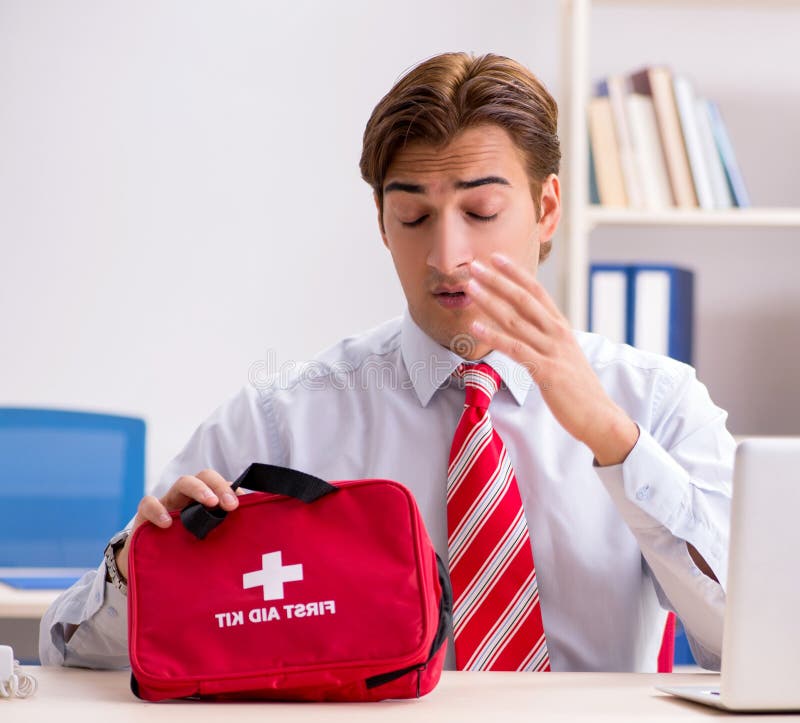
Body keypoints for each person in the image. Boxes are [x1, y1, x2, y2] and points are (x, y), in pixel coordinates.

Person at [40, 51, 733, 672]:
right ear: (381, 222)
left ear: (547, 208)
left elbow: (749, 643)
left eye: (482, 210)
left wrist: (617, 442)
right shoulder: (284, 418)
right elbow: (67, 646)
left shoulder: (656, 402)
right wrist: (141, 567)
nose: (446, 256)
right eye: (414, 218)